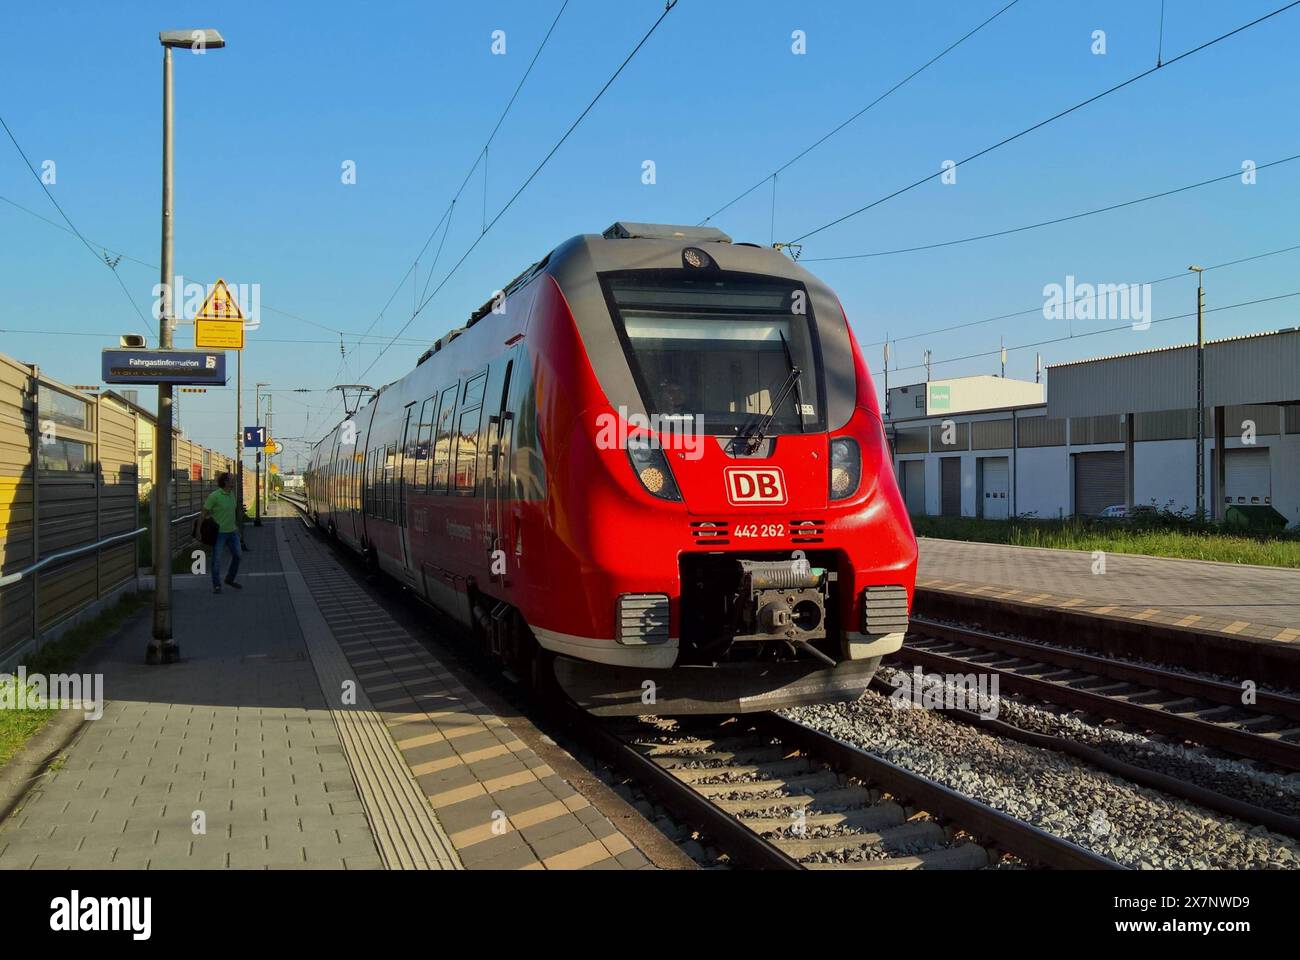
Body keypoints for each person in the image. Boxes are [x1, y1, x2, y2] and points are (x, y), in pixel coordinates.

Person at [202, 472, 242, 593]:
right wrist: (199, 530)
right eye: (231, 480)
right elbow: (203, 512)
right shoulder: (214, 496)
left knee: (238, 555)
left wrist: (237, 528)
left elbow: (231, 513)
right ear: (225, 482)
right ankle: (217, 585)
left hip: (232, 532)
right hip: (219, 534)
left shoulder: (231, 495)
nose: (233, 481)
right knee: (216, 560)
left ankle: (229, 579)